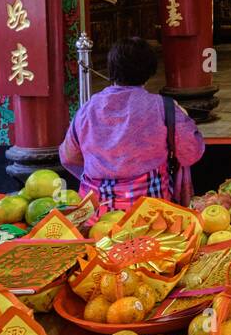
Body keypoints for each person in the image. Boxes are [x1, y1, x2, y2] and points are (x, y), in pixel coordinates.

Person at [60, 37, 204, 211]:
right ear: (149, 71)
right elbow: (191, 151)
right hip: (151, 215)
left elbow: (68, 156)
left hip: (95, 217)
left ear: (111, 69)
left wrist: (103, 172)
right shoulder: (164, 107)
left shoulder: (87, 109)